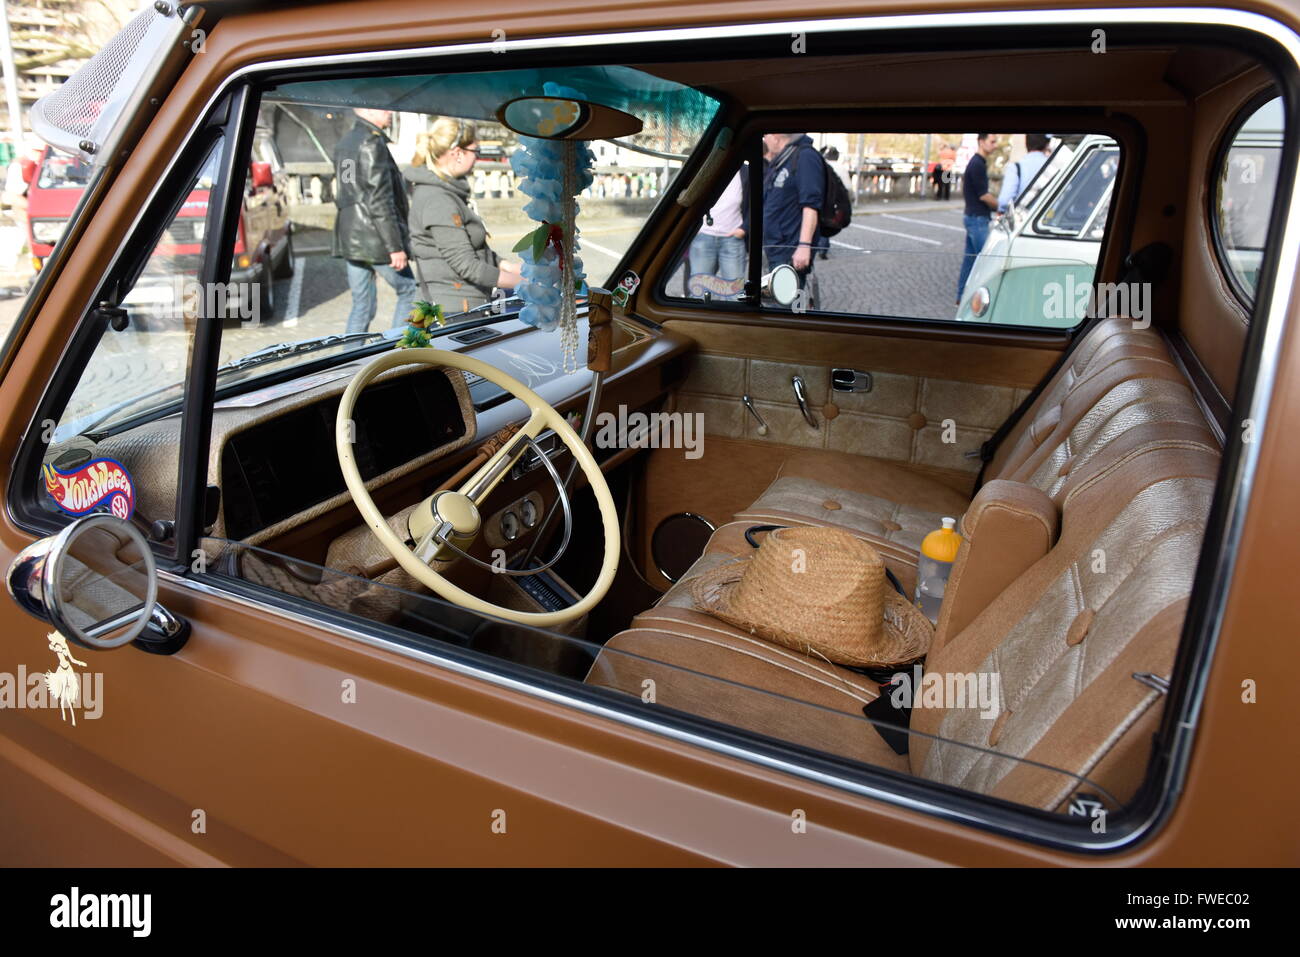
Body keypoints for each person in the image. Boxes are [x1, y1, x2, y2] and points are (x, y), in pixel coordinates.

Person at [404, 117, 521, 315]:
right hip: (453, 310)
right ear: (458, 153)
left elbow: (473, 247)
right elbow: (467, 266)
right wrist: (524, 284)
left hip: (465, 303)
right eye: (476, 151)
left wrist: (509, 266)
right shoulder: (438, 199)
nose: (477, 158)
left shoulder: (447, 190)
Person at [332, 108, 419, 334]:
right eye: (383, 108)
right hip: (375, 236)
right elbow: (379, 199)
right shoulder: (372, 143)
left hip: (351, 235)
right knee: (410, 291)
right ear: (368, 111)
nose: (390, 112)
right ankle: (392, 353)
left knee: (362, 305)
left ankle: (349, 362)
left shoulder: (345, 142)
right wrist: (395, 246)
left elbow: (345, 191)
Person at [761, 132, 825, 291]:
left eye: (765, 136)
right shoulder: (785, 158)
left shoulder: (805, 156)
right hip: (777, 248)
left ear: (775, 136)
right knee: (779, 304)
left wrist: (804, 246)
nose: (765, 140)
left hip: (789, 250)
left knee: (786, 307)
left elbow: (811, 205)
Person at [957, 133, 999, 304]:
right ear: (981, 142)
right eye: (992, 141)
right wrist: (1001, 206)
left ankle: (961, 297)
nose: (995, 145)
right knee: (985, 262)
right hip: (977, 219)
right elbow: (984, 196)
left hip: (972, 216)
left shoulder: (977, 163)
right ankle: (982, 300)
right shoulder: (977, 164)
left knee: (970, 260)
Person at [689, 169, 746, 285]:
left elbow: (754, 203)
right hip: (703, 237)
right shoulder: (705, 168)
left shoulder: (745, 171)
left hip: (733, 239)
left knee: (734, 293)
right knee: (699, 291)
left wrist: (744, 229)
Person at [998, 132, 1050, 212]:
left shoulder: (1015, 168)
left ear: (1026, 144)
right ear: (1047, 144)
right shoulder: (1053, 166)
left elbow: (1004, 201)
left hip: (1022, 218)